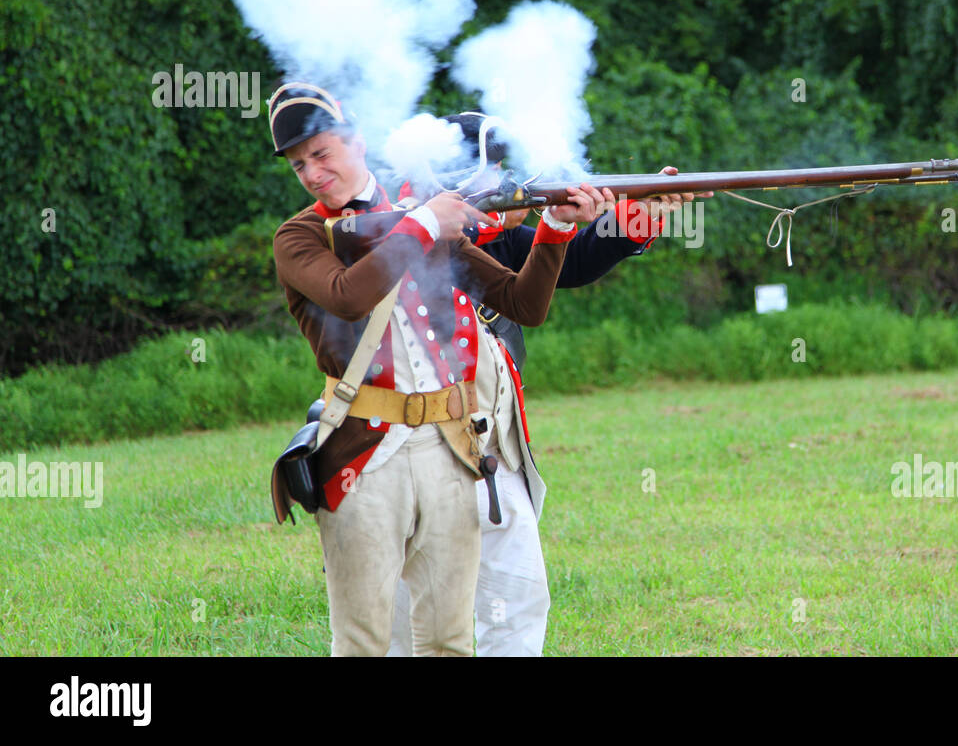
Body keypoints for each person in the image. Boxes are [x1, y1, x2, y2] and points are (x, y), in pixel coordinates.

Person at [268, 82, 603, 656]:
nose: (312, 172)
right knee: (364, 641)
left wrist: (556, 229)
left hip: (450, 448)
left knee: (449, 642)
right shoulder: (301, 235)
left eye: (321, 154)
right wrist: (424, 223)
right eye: (301, 164)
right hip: (364, 452)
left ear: (357, 142)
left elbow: (523, 304)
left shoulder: (420, 218)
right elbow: (348, 296)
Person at [386, 112, 706, 656]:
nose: (506, 185)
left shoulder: (498, 239)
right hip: (399, 442)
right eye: (495, 173)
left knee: (518, 595)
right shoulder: (398, 236)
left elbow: (570, 262)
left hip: (489, 439)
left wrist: (638, 215)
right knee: (397, 614)